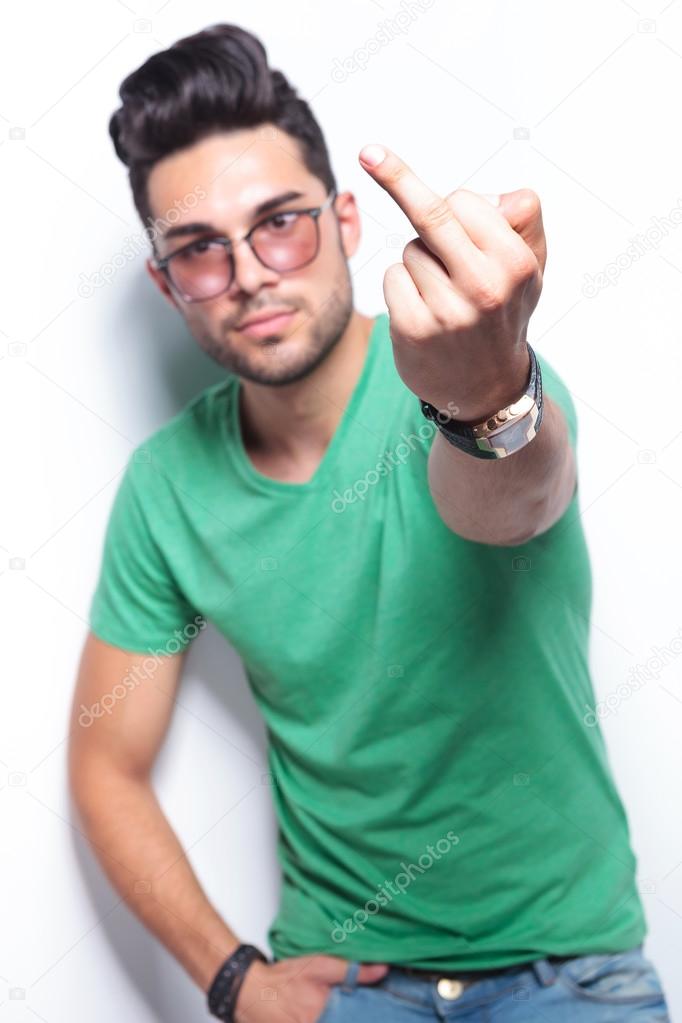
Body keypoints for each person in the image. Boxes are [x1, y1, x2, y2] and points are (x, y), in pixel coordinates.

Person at [68, 22, 670, 1023]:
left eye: (280, 223)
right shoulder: (167, 486)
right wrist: (234, 981)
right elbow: (105, 761)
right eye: (199, 249)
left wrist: (485, 397)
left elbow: (515, 498)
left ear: (345, 220)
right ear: (166, 284)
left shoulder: (471, 375)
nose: (250, 272)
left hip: (569, 977)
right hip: (344, 988)